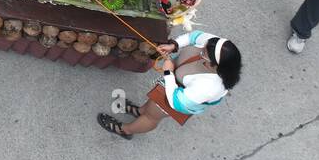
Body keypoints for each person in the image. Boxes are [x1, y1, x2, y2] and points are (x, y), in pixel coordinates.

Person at [98, 32, 240, 137]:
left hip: (176, 97)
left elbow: (176, 102)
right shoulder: (214, 45)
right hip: (172, 82)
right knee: (152, 104)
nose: (201, 48)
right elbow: (194, 36)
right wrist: (174, 45)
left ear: (215, 66)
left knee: (152, 116)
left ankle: (126, 130)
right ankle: (140, 111)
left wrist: (168, 73)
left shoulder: (209, 88)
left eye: (204, 53)